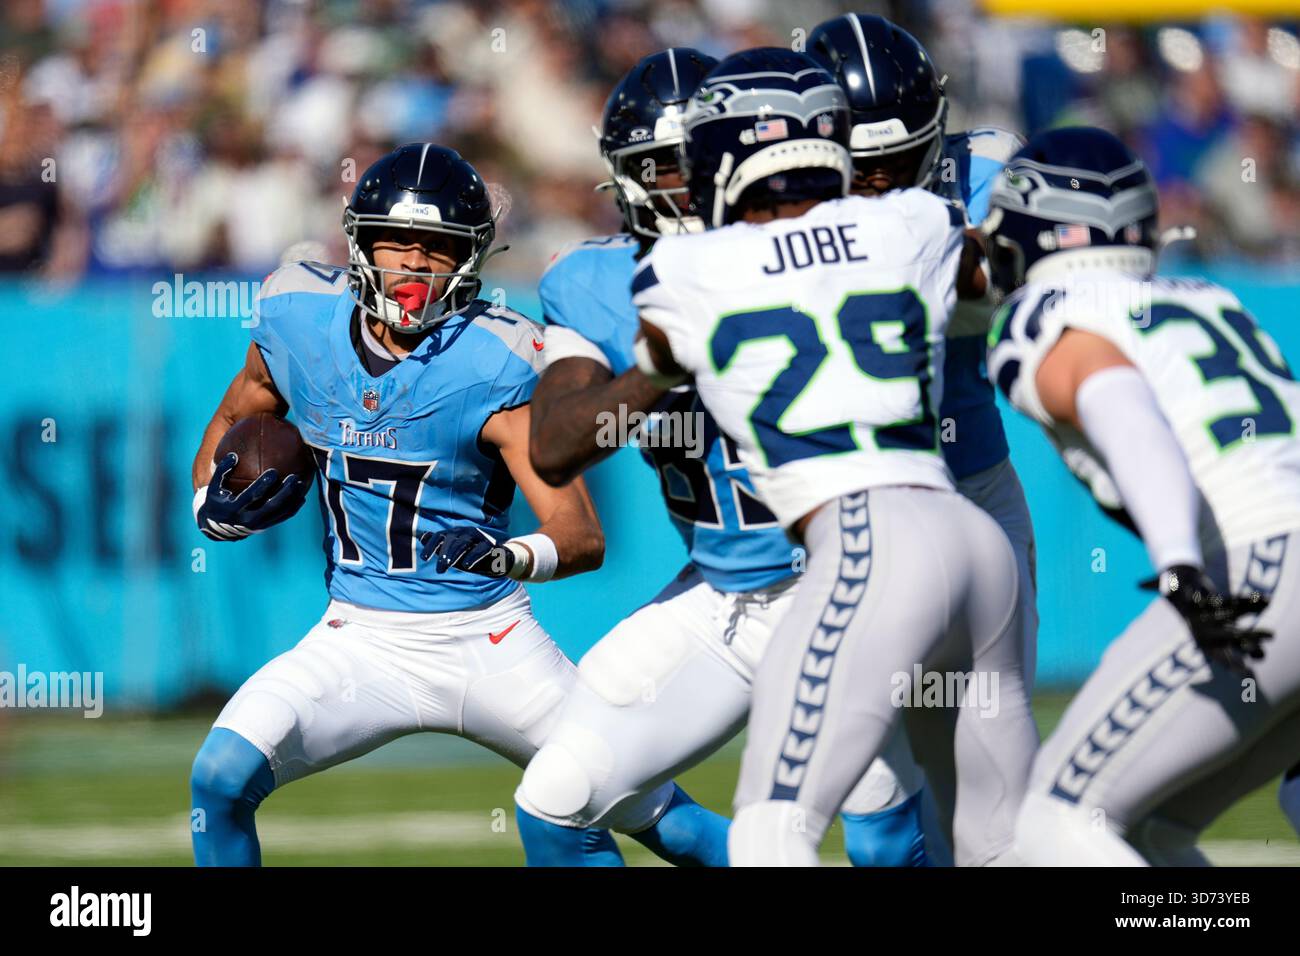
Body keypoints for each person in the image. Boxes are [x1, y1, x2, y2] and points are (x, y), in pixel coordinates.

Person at [632, 47, 1038, 866]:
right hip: (972, 539)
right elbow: (990, 277)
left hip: (866, 542)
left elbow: (630, 386)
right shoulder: (914, 220)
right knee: (1001, 837)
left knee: (771, 830)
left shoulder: (687, 265)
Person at [187, 143, 617, 865]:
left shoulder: (495, 358)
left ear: (469, 259)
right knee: (218, 779)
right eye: (396, 242)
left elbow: (580, 533)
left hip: (489, 640)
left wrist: (511, 555)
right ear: (360, 243)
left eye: (438, 248)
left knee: (649, 811)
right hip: (357, 636)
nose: (415, 264)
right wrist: (211, 501)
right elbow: (236, 416)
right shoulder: (298, 319)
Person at [983, 126, 1297, 864]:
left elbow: (1120, 405)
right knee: (1153, 828)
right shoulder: (1208, 295)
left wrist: (1179, 563)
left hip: (1263, 561)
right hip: (1278, 547)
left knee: (1056, 820)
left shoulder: (1049, 311)